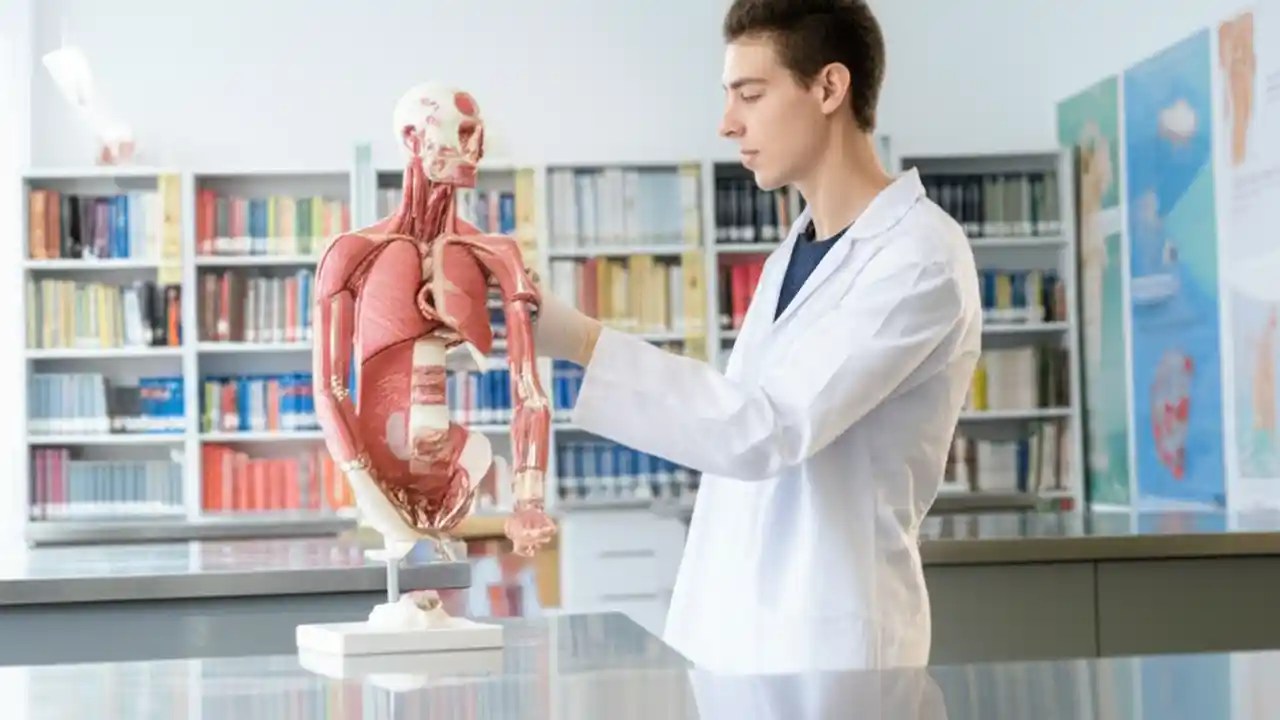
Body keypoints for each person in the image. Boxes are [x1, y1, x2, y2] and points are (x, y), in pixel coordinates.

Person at [531, 0, 982, 674]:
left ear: (829, 87)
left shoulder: (919, 257)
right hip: (738, 638)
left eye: (751, 93)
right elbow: (732, 427)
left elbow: (764, 430)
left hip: (833, 651)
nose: (727, 122)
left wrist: (581, 341)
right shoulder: (789, 257)